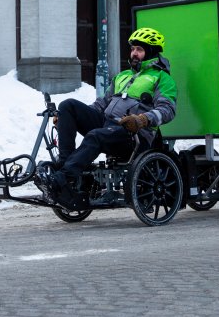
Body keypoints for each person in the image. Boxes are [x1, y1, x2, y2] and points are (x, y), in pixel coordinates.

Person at [38, 27, 177, 209]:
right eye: (133, 49)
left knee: (96, 136)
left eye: (139, 50)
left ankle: (64, 177)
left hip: (133, 135)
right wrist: (65, 118)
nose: (134, 53)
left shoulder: (162, 78)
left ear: (151, 52)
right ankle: (65, 168)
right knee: (67, 106)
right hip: (108, 126)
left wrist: (142, 119)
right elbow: (100, 105)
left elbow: (167, 110)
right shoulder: (122, 77)